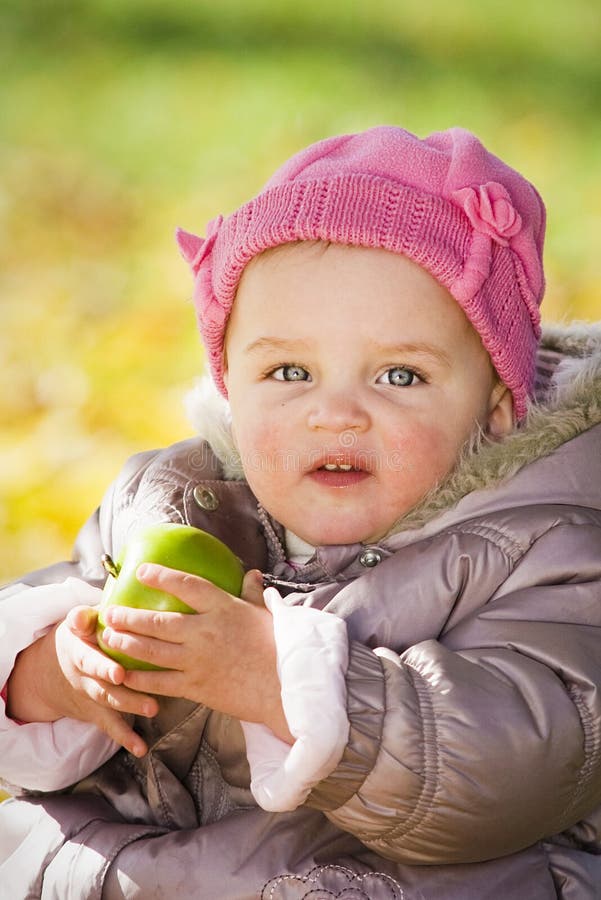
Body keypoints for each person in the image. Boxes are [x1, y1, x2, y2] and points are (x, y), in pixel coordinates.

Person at [1, 125, 600, 900]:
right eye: (289, 371)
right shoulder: (168, 504)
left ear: (493, 409)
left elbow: (522, 764)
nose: (336, 414)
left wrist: (277, 679)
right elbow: (38, 624)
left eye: (399, 375)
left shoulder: (550, 546)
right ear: (230, 385)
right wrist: (59, 673)